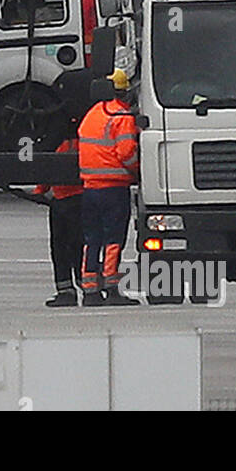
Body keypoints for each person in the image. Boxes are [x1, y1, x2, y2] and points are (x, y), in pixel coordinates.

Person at [77, 69, 140, 307]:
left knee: (91, 239)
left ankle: (90, 290)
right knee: (114, 238)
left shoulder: (92, 114)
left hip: (90, 188)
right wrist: (138, 170)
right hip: (114, 188)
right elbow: (126, 153)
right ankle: (112, 287)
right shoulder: (121, 116)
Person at [31, 127, 84, 307]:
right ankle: (85, 286)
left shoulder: (57, 143)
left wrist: (40, 191)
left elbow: (49, 169)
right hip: (79, 199)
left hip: (64, 202)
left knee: (62, 247)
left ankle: (67, 290)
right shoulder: (84, 142)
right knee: (77, 245)